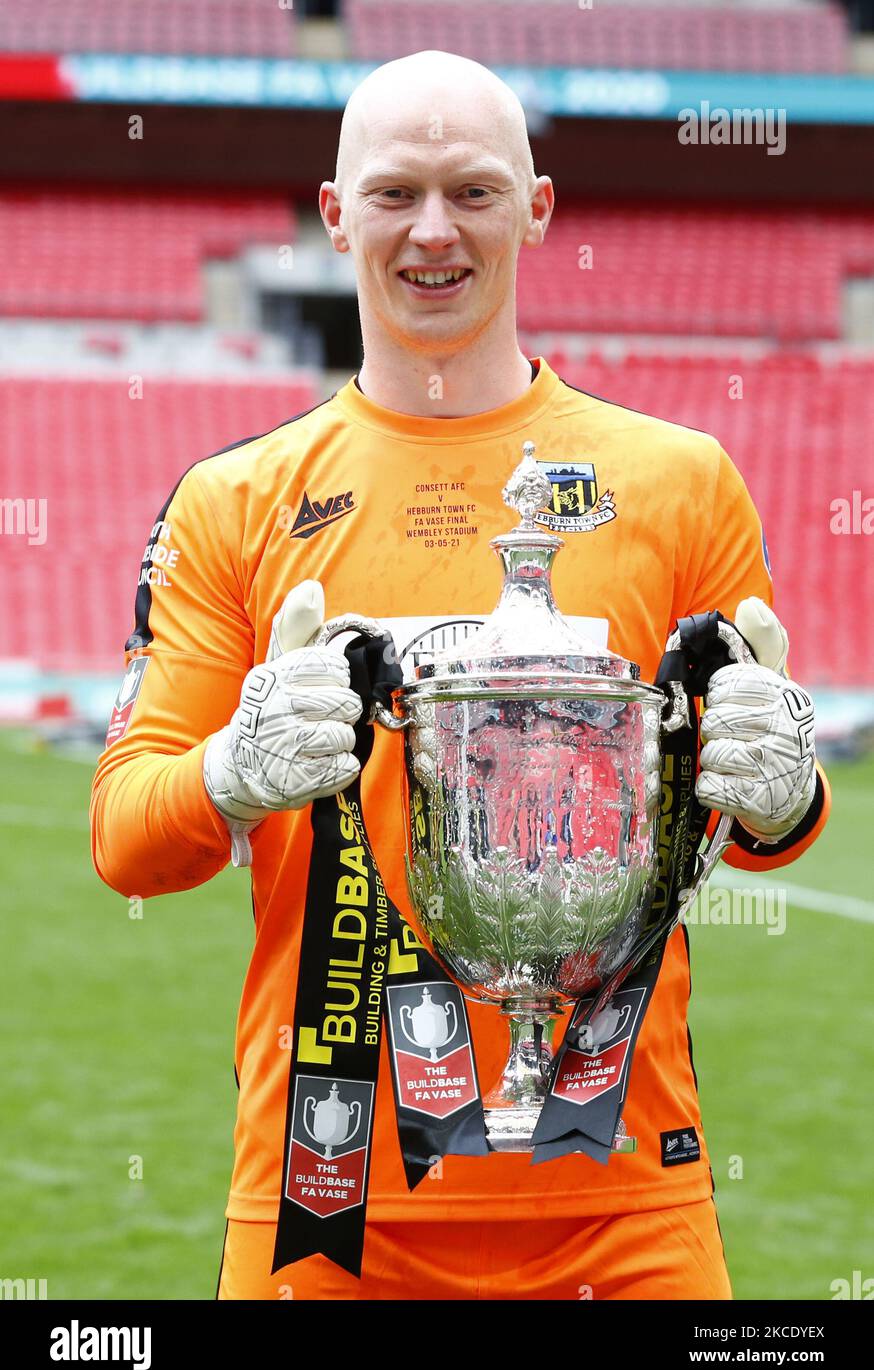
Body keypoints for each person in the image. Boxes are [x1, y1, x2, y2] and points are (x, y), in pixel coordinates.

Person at [90, 50, 830, 1300]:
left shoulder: (681, 480)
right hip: (330, 1203)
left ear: (537, 208)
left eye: (474, 192)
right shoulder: (233, 503)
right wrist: (234, 771)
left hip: (623, 1204)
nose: (434, 231)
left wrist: (779, 789)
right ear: (335, 217)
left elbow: (760, 831)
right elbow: (126, 838)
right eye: (394, 194)